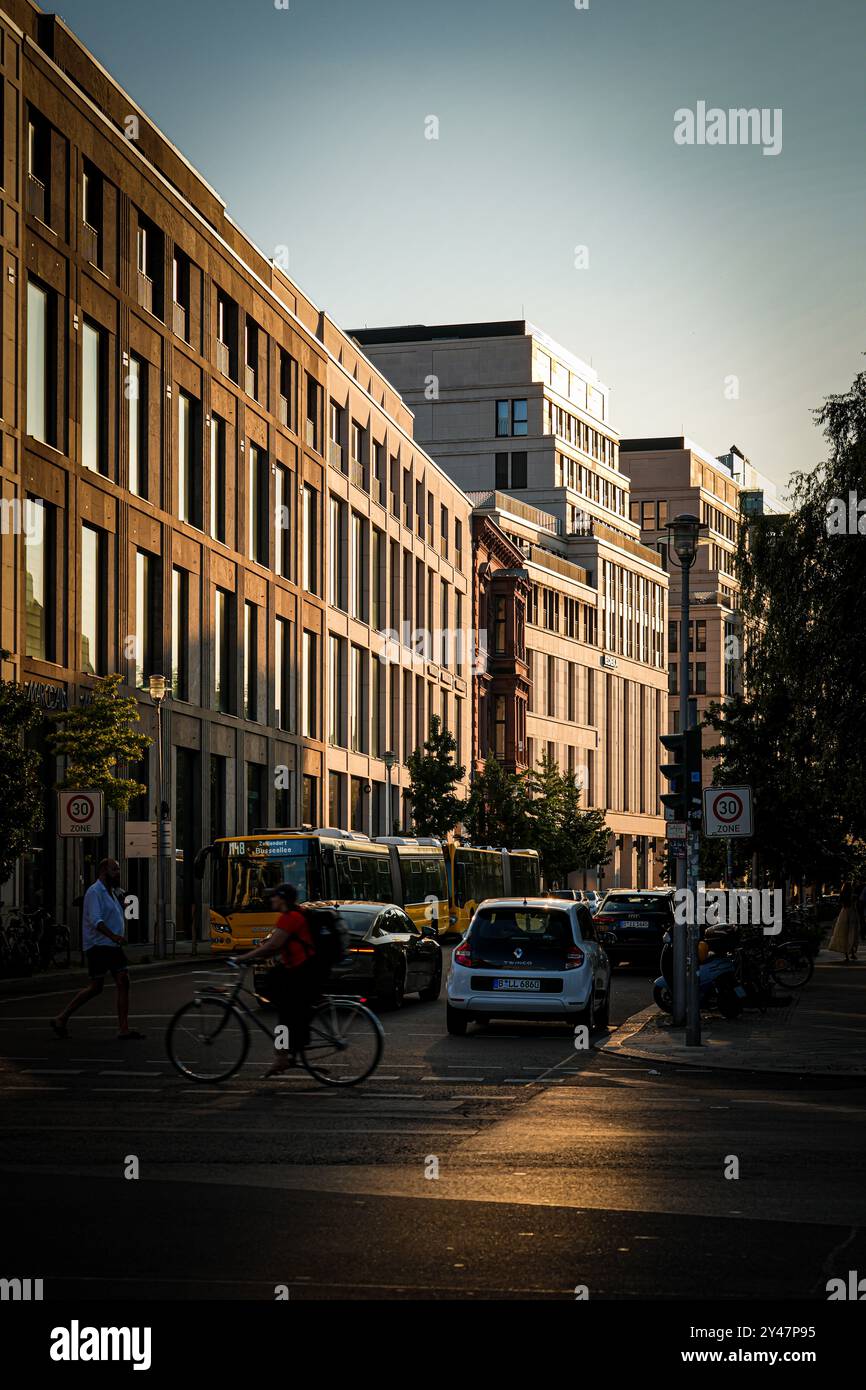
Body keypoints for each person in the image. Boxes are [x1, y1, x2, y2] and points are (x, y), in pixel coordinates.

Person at [51, 858, 145, 1039]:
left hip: (111, 946)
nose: (118, 873)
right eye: (115, 869)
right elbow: (96, 921)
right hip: (99, 945)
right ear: (103, 871)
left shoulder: (112, 892)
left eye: (118, 869)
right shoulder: (95, 892)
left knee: (121, 981)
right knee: (97, 987)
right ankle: (61, 1018)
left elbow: (120, 913)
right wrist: (114, 936)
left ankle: (123, 1028)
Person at [240, 884, 319, 1076]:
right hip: (299, 969)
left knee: (285, 1014)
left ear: (282, 898)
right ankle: (287, 1051)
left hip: (302, 971)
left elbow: (272, 945)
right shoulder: (295, 914)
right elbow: (275, 947)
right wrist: (260, 955)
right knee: (278, 994)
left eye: (274, 896)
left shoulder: (291, 917)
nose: (271, 900)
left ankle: (282, 1056)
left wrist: (242, 958)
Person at [828, 881, 859, 962]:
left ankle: (847, 955)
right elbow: (855, 905)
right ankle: (852, 953)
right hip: (852, 914)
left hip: (844, 914)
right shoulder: (853, 896)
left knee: (844, 934)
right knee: (851, 933)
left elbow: (841, 904)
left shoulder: (843, 896)